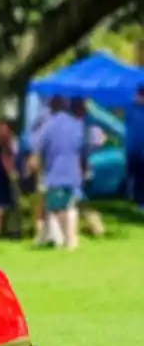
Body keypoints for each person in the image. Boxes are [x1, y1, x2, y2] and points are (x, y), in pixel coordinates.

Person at [31, 95, 84, 249]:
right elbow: (84, 147)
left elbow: (36, 147)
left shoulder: (48, 125)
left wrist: (33, 166)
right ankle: (68, 240)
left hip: (55, 174)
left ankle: (66, 240)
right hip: (73, 173)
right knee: (70, 206)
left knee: (56, 208)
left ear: (51, 108)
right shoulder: (76, 125)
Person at [69, 98, 106, 240]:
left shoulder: (75, 127)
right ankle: (95, 227)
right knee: (78, 200)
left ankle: (94, 227)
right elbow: (90, 149)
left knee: (76, 200)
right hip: (80, 169)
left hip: (72, 169)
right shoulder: (86, 127)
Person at [128, 84, 144, 210]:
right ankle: (136, 200)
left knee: (141, 176)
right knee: (133, 175)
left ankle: (141, 202)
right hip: (132, 149)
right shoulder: (131, 108)